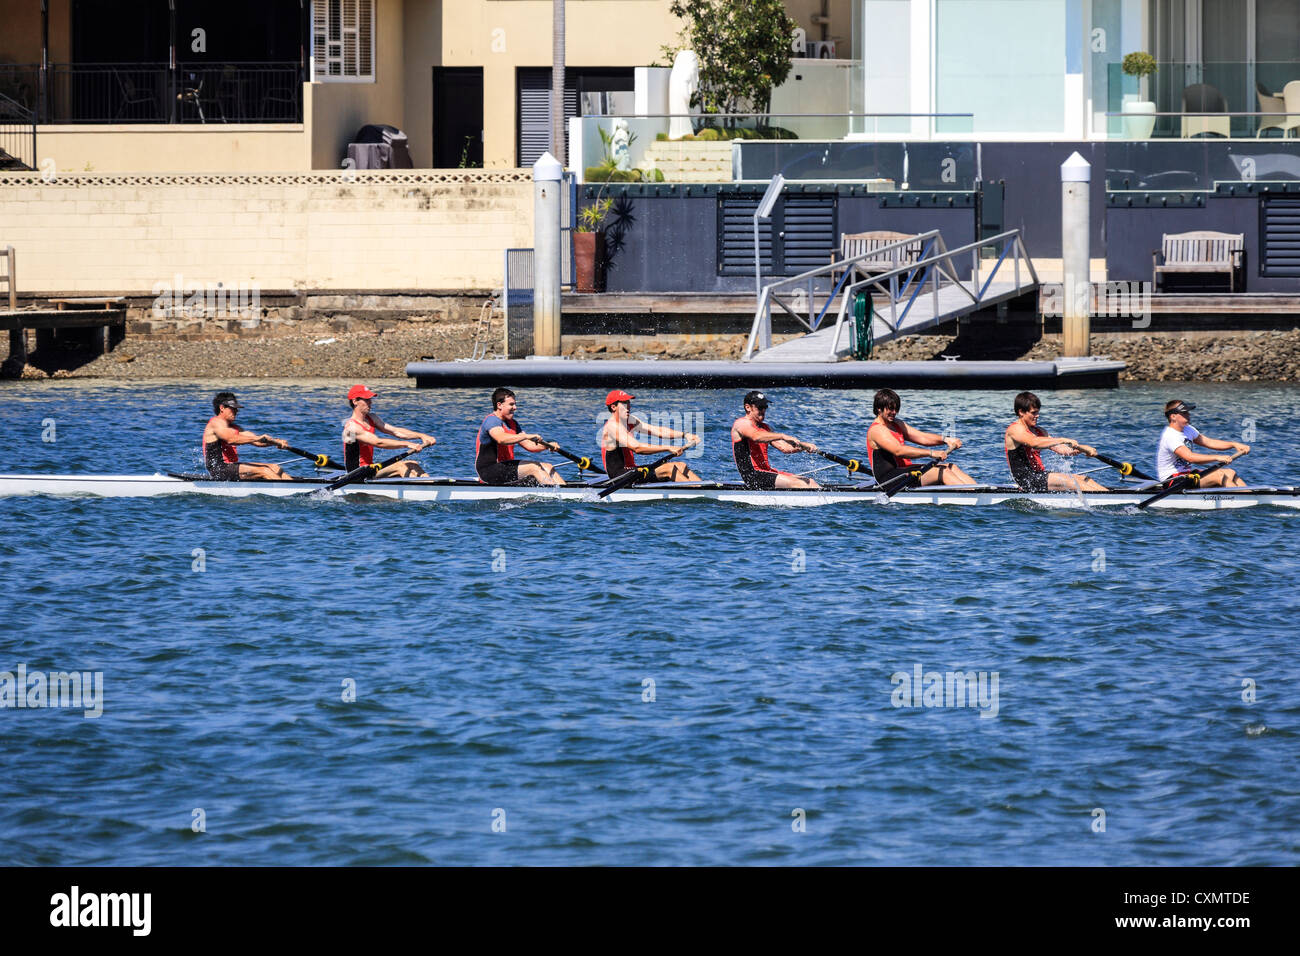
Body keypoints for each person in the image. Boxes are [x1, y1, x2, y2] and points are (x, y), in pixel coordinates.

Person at [866, 388, 977, 487]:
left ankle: (978, 491)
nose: (894, 412)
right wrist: (931, 453)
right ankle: (971, 497)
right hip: (889, 479)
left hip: (903, 471)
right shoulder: (877, 430)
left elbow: (922, 437)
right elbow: (899, 451)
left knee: (951, 467)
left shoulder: (896, 424)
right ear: (879, 408)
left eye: (896, 409)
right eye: (890, 409)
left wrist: (946, 439)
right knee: (943, 472)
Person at [1004, 391, 1106, 492]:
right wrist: (1062, 439)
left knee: (1085, 479)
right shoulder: (1015, 429)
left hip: (1039, 475)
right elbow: (1033, 443)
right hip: (1026, 480)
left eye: (1038, 412)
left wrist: (1083, 449)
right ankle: (1103, 499)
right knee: (1074, 483)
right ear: (1021, 412)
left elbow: (1063, 450)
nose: (1037, 415)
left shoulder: (1039, 431)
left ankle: (1110, 496)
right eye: (1033, 412)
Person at [599, 389, 701, 483]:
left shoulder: (629, 420)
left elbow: (658, 431)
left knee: (680, 465)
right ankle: (696, 492)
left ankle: (703, 488)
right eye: (624, 403)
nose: (628, 406)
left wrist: (685, 434)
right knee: (669, 469)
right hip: (619, 477)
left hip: (632, 470)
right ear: (613, 407)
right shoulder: (612, 427)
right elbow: (637, 448)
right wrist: (668, 447)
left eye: (628, 402)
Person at [730, 390, 821, 490]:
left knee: (810, 482)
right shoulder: (741, 424)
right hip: (753, 476)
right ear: (748, 407)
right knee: (800, 484)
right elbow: (756, 436)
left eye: (765, 407)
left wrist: (804, 446)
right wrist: (782, 436)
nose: (763, 410)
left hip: (766, 472)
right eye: (760, 407)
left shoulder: (765, 428)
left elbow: (785, 448)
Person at [475, 387, 566, 486]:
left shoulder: (512, 424)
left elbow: (530, 445)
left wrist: (547, 445)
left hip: (505, 467)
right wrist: (526, 436)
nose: (515, 407)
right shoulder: (491, 421)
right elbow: (501, 439)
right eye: (511, 404)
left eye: (515, 404)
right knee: (533, 467)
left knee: (548, 467)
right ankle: (554, 493)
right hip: (488, 471)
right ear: (499, 405)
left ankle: (566, 491)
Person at [342, 384, 435, 477]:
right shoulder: (352, 427)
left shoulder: (372, 418)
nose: (370, 402)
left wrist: (421, 436)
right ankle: (419, 485)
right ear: (355, 401)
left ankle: (431, 483)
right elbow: (378, 442)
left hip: (369, 468)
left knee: (412, 463)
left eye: (370, 399)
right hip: (356, 472)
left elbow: (396, 431)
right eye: (366, 400)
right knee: (400, 466)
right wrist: (407, 444)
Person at [201, 392, 293, 481]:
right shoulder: (216, 423)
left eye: (236, 408)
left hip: (231, 466)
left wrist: (276, 442)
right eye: (233, 408)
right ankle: (286, 490)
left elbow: (258, 442)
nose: (236, 411)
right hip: (218, 469)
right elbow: (231, 439)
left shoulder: (234, 427)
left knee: (274, 467)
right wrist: (258, 438)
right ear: (222, 408)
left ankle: (295, 488)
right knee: (265, 470)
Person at [1156, 399, 1249, 487]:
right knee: (1218, 475)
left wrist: (1234, 444)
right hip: (1171, 480)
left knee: (1230, 472)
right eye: (1184, 413)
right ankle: (1240, 497)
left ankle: (1249, 494)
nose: (1188, 415)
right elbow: (1190, 457)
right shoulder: (1170, 436)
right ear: (1173, 417)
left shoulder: (1188, 429)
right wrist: (1217, 457)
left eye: (1188, 412)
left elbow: (1210, 442)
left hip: (1186, 475)